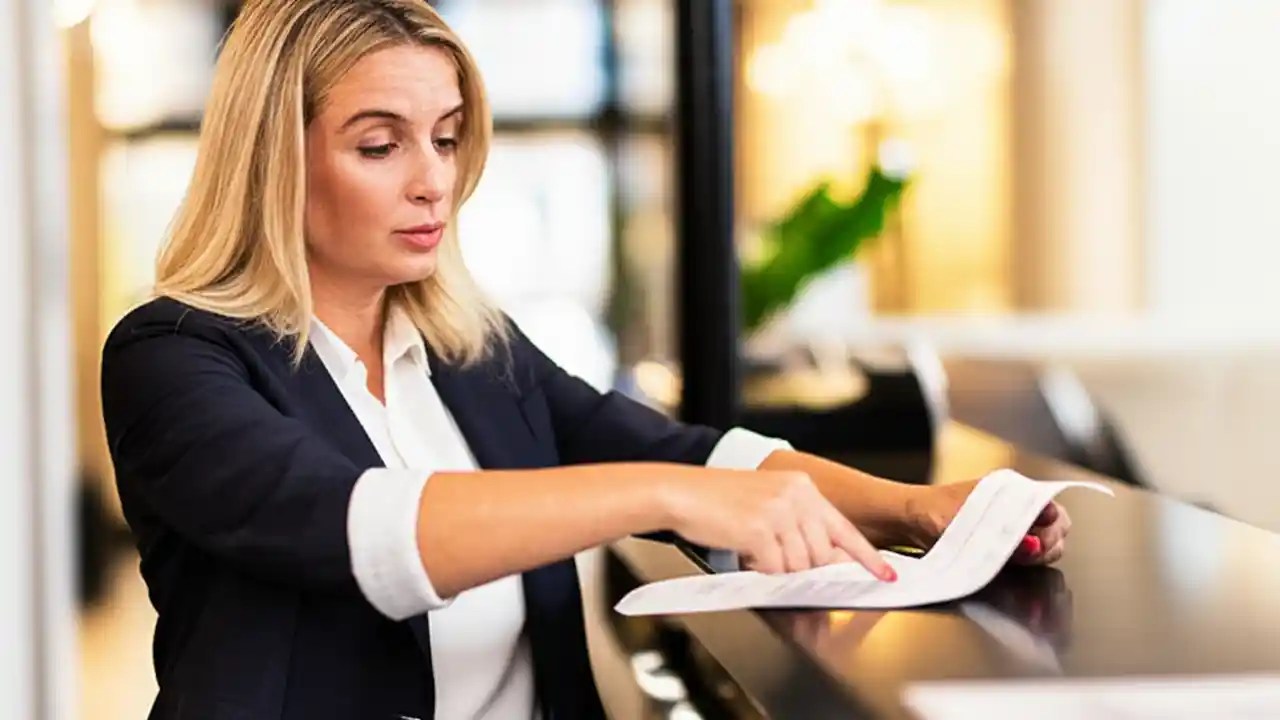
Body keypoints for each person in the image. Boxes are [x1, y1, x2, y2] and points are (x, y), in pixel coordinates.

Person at [99, 1, 1072, 718]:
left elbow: (694, 456)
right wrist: (656, 497)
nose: (433, 179)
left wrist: (911, 509)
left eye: (444, 138)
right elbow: (358, 531)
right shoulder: (173, 359)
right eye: (378, 145)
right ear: (275, 158)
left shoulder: (470, 350)